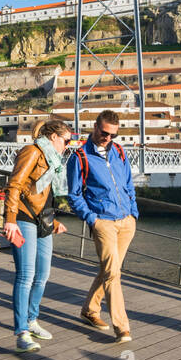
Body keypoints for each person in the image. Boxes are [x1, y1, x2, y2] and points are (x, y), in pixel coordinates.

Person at [66, 110, 139, 342]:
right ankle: (122, 327)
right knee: (112, 273)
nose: (108, 138)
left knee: (111, 269)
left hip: (126, 220)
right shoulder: (79, 158)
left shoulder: (119, 150)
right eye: (105, 132)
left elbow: (128, 183)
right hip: (103, 221)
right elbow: (74, 195)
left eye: (113, 135)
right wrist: (92, 220)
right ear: (95, 127)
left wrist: (133, 213)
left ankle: (89, 310)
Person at [2, 119, 71, 352]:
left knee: (43, 275)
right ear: (53, 137)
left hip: (43, 220)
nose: (67, 145)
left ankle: (32, 320)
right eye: (66, 140)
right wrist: (10, 220)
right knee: (26, 275)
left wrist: (54, 221)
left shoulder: (53, 159)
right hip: (23, 217)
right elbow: (15, 185)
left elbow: (43, 195)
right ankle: (21, 332)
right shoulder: (32, 152)